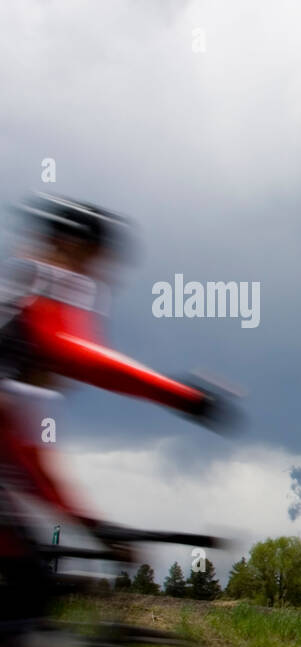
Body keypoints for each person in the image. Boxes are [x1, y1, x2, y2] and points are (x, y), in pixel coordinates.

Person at [0, 193, 235, 622]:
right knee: (24, 582)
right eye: (91, 259)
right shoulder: (42, 285)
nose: (93, 274)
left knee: (26, 580)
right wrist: (180, 396)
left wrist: (91, 525)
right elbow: (77, 356)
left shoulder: (25, 373)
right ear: (69, 246)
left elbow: (34, 470)